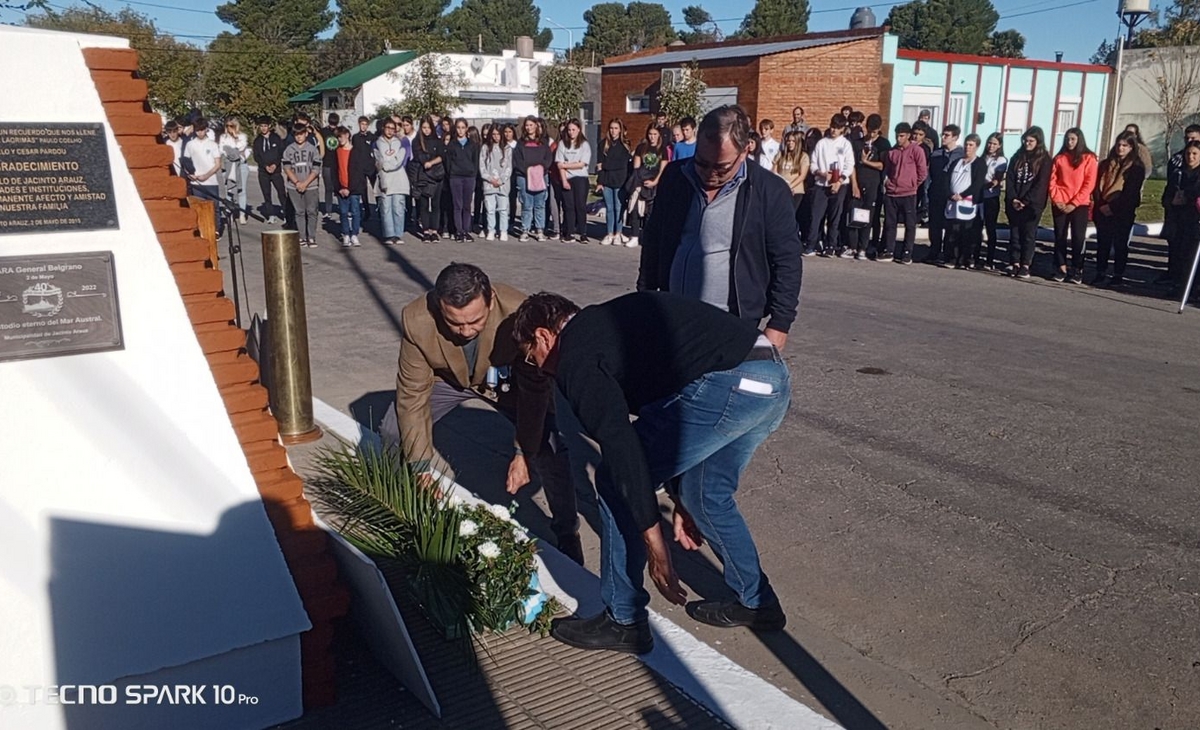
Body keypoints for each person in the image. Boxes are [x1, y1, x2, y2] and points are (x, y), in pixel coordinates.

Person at [514, 291, 792, 655]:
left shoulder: (576, 354)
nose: (538, 367)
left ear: (543, 336)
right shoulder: (605, 326)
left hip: (730, 384)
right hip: (769, 378)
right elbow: (670, 424)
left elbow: (622, 448)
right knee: (703, 493)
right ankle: (759, 604)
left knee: (615, 481)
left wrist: (656, 545)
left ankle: (624, 619)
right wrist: (679, 497)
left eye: (531, 356)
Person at [386, 263, 583, 565]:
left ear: (490, 299)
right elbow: (412, 395)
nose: (465, 332)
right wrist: (421, 465)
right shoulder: (416, 320)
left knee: (550, 445)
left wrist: (523, 451)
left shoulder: (519, 310)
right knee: (392, 430)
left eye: (475, 321)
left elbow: (535, 391)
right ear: (439, 306)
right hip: (450, 381)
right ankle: (418, 511)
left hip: (511, 385)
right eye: (455, 323)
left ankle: (567, 530)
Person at [636, 105, 802, 351]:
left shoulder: (769, 191)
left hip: (732, 322)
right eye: (702, 162)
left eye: (721, 167)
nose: (710, 173)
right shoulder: (675, 176)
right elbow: (653, 241)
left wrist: (779, 324)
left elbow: (787, 261)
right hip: (672, 315)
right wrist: (645, 297)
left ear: (745, 151)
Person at [1092, 131, 1147, 288]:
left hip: (1123, 211)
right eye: (1119, 145)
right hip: (1102, 209)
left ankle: (1118, 274)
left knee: (1120, 244)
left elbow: (1131, 193)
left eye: (1125, 146)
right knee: (1103, 243)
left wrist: (1113, 207)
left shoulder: (1136, 167)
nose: (1121, 148)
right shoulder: (1105, 164)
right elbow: (1096, 187)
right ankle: (1100, 272)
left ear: (1131, 147)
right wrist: (1101, 204)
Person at [1048, 128, 1098, 283]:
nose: (1069, 142)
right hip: (1060, 202)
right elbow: (1052, 181)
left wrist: (1074, 203)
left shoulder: (1089, 158)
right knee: (1060, 236)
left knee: (1078, 237)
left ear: (1079, 140)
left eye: (1073, 139)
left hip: (1079, 204)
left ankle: (1077, 268)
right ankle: (1061, 267)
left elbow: (1089, 183)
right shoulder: (1059, 158)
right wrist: (1057, 200)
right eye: (1067, 139)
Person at [1005, 127, 1052, 280]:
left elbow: (1041, 183)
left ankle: (1026, 264)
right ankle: (1015, 262)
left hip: (1032, 204)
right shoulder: (1017, 156)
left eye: (1031, 141)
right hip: (1015, 201)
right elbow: (1010, 178)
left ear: (1038, 142)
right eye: (1025, 140)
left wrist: (1025, 201)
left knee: (1028, 234)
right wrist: (1013, 198)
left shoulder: (1044, 159)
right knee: (1015, 233)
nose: (1027, 144)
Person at [806, 114, 856, 257]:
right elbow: (813, 163)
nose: (834, 130)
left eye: (837, 128)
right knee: (816, 216)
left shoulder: (845, 144)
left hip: (839, 185)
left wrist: (839, 181)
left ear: (842, 129)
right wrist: (822, 174)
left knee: (835, 217)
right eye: (833, 126)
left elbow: (849, 165)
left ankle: (831, 246)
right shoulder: (822, 143)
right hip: (821, 184)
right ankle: (811, 245)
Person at [881, 122, 928, 264]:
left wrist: (913, 184)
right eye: (897, 136)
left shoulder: (917, 151)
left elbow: (922, 172)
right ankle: (889, 250)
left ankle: (907, 252)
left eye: (901, 136)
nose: (898, 139)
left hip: (908, 193)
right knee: (890, 223)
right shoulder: (892, 151)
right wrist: (888, 183)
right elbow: (888, 170)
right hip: (892, 193)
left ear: (908, 136)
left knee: (910, 224)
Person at [1160, 124, 1200, 285]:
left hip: (1194, 219)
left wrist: (1189, 198)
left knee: (1191, 254)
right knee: (1178, 251)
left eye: (1195, 154)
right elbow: (1168, 191)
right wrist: (1171, 201)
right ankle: (1177, 281)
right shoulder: (1178, 170)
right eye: (1188, 153)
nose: (1191, 157)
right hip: (1178, 218)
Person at [942, 133, 988, 269]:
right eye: (966, 144)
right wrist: (950, 194)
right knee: (952, 231)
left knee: (966, 232)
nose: (967, 148)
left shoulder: (979, 163)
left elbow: (978, 183)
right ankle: (952, 257)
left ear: (976, 147)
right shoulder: (956, 162)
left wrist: (963, 195)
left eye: (971, 145)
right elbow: (946, 179)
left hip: (968, 203)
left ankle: (964, 259)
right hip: (953, 202)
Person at [922, 124, 965, 265]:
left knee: (951, 226)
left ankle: (949, 254)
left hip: (952, 196)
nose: (943, 138)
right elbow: (930, 175)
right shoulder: (936, 154)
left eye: (947, 135)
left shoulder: (961, 155)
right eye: (943, 134)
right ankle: (933, 251)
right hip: (936, 193)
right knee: (935, 225)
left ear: (955, 137)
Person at [853, 114, 889, 260]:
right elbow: (853, 165)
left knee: (872, 217)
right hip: (860, 183)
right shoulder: (858, 143)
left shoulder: (883, 144)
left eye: (874, 132)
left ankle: (869, 245)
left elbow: (882, 165)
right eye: (869, 131)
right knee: (857, 215)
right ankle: (854, 245)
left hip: (875, 184)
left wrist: (866, 162)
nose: (871, 134)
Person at [627, 124, 670, 248]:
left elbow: (663, 169)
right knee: (635, 210)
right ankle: (634, 236)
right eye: (650, 134)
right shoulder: (641, 148)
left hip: (654, 183)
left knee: (650, 213)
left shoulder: (662, 149)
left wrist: (655, 182)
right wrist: (639, 183)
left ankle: (647, 237)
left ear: (659, 135)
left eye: (655, 134)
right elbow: (636, 167)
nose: (652, 137)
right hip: (640, 182)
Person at [282, 123, 322, 247]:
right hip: (294, 186)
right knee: (299, 211)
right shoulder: (289, 149)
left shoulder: (313, 149)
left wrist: (305, 183)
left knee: (311, 211)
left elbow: (316, 169)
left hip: (311, 185)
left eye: (301, 134)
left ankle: (311, 237)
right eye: (296, 134)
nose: (299, 137)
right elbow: (287, 168)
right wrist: (297, 182)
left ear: (306, 134)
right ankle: (302, 237)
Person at [514, 116, 553, 241]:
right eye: (527, 125)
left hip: (541, 176)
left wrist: (540, 169)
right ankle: (525, 229)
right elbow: (517, 160)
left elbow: (548, 158)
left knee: (540, 205)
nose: (529, 127)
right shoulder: (520, 143)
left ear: (536, 126)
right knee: (527, 204)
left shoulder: (543, 142)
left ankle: (539, 230)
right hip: (524, 177)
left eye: (531, 125)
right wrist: (528, 170)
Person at [181, 117, 222, 234]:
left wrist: (206, 175)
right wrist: (190, 175)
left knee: (214, 207)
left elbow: (217, 164)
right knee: (199, 208)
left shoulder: (213, 144)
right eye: (198, 130)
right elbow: (185, 162)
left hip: (211, 182)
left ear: (206, 130)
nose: (200, 132)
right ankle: (202, 229)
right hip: (196, 182)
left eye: (202, 130)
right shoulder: (190, 144)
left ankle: (216, 229)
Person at [555, 118, 592, 244]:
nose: (571, 132)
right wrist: (564, 180)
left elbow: (582, 164)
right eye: (569, 130)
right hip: (568, 178)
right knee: (569, 206)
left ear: (579, 130)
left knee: (580, 206)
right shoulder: (562, 144)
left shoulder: (584, 144)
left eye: (574, 130)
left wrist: (566, 165)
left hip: (581, 178)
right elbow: (559, 164)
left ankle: (583, 233)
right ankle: (569, 233)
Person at [373, 118, 410, 245]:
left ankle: (398, 234)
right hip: (385, 180)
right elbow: (379, 161)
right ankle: (389, 234)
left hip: (399, 180)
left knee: (398, 207)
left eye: (392, 128)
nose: (390, 131)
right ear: (383, 128)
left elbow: (399, 159)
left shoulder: (400, 143)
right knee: (386, 208)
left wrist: (388, 165)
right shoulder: (377, 143)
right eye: (387, 128)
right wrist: (385, 165)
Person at [596, 118, 632, 246]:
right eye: (611, 128)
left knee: (619, 207)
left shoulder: (625, 145)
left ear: (620, 130)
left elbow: (622, 164)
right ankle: (610, 233)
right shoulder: (603, 144)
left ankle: (618, 233)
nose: (613, 131)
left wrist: (607, 164)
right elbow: (600, 164)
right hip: (606, 180)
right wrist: (600, 180)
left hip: (620, 180)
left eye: (616, 128)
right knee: (609, 208)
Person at [334, 126, 371, 247]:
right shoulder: (337, 151)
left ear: (348, 135)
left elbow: (358, 172)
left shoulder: (356, 151)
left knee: (355, 211)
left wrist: (349, 189)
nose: (341, 139)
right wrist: (340, 188)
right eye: (338, 136)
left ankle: (354, 234)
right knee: (343, 212)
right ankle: (345, 234)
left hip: (354, 188)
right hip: (341, 187)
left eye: (343, 136)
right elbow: (335, 170)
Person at [411, 117, 446, 243]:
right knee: (424, 204)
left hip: (436, 175)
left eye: (428, 127)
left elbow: (442, 156)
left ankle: (434, 231)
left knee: (436, 205)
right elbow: (418, 155)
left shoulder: (437, 141)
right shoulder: (417, 141)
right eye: (424, 128)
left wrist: (431, 162)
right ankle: (425, 231)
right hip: (423, 175)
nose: (426, 130)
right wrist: (425, 162)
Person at [445, 118, 479, 242]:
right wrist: (452, 173)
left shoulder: (473, 145)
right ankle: (459, 231)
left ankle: (466, 230)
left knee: (467, 205)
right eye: (458, 127)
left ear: (466, 128)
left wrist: (473, 174)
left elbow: (475, 162)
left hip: (469, 177)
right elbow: (448, 162)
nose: (460, 130)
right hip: (456, 178)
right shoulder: (452, 145)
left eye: (463, 127)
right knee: (457, 205)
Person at [979, 133, 1007, 270]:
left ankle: (989, 260)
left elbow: (997, 179)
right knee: (976, 227)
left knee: (991, 228)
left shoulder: (1001, 160)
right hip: (978, 197)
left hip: (991, 197)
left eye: (995, 144)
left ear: (999, 146)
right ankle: (975, 256)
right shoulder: (981, 158)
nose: (991, 146)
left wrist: (987, 184)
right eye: (990, 143)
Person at [480, 126, 512, 241]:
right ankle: (491, 230)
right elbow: (482, 166)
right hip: (489, 184)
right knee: (490, 209)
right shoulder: (485, 148)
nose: (496, 137)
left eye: (498, 134)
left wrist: (501, 180)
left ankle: (503, 230)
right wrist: (490, 179)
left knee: (503, 209)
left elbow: (509, 168)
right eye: (493, 134)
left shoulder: (507, 149)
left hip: (502, 185)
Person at [252, 116, 285, 224]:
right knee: (266, 193)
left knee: (281, 192)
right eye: (261, 126)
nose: (263, 128)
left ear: (269, 126)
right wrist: (265, 165)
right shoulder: (257, 141)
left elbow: (281, 152)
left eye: (265, 126)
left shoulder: (276, 138)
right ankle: (271, 214)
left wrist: (275, 164)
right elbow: (256, 156)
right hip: (263, 171)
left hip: (276, 171)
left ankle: (286, 213)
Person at [773, 130, 809, 226]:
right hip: (781, 190)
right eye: (788, 141)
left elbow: (802, 176)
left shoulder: (803, 156)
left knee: (791, 215)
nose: (790, 143)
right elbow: (773, 172)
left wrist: (790, 186)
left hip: (795, 191)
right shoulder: (781, 154)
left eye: (793, 141)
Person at [220, 117, 251, 224]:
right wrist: (232, 152)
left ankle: (242, 214)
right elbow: (222, 150)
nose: (229, 128)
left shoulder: (242, 136)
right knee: (229, 190)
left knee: (241, 190)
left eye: (231, 126)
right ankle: (229, 213)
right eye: (227, 126)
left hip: (241, 165)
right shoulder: (223, 137)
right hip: (228, 164)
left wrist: (235, 138)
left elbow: (241, 147)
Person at [353, 116, 379, 222]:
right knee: (363, 191)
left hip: (371, 167)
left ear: (368, 126)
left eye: (365, 124)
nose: (363, 126)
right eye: (361, 124)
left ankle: (379, 209)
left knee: (376, 189)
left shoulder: (372, 137)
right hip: (360, 168)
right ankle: (367, 211)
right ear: (359, 124)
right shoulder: (355, 137)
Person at [319, 113, 341, 220]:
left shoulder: (340, 131)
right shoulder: (323, 132)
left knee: (339, 187)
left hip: (338, 164)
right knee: (328, 188)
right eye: (332, 124)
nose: (333, 126)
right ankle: (328, 210)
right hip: (327, 163)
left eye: (335, 124)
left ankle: (342, 209)